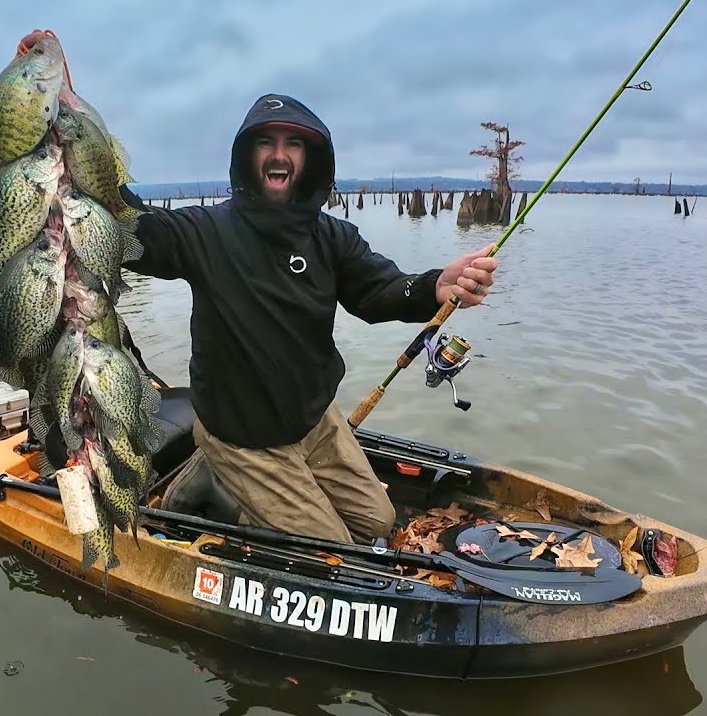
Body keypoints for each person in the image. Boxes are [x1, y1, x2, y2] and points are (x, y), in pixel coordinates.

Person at [104, 91, 499, 546]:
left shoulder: (332, 236)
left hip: (315, 422)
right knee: (337, 554)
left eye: (293, 143)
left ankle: (221, 482)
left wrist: (434, 286)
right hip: (243, 437)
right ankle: (222, 475)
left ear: (310, 157)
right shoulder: (205, 232)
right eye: (265, 142)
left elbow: (380, 291)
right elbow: (132, 228)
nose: (278, 154)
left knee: (376, 523)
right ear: (247, 155)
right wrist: (68, 122)